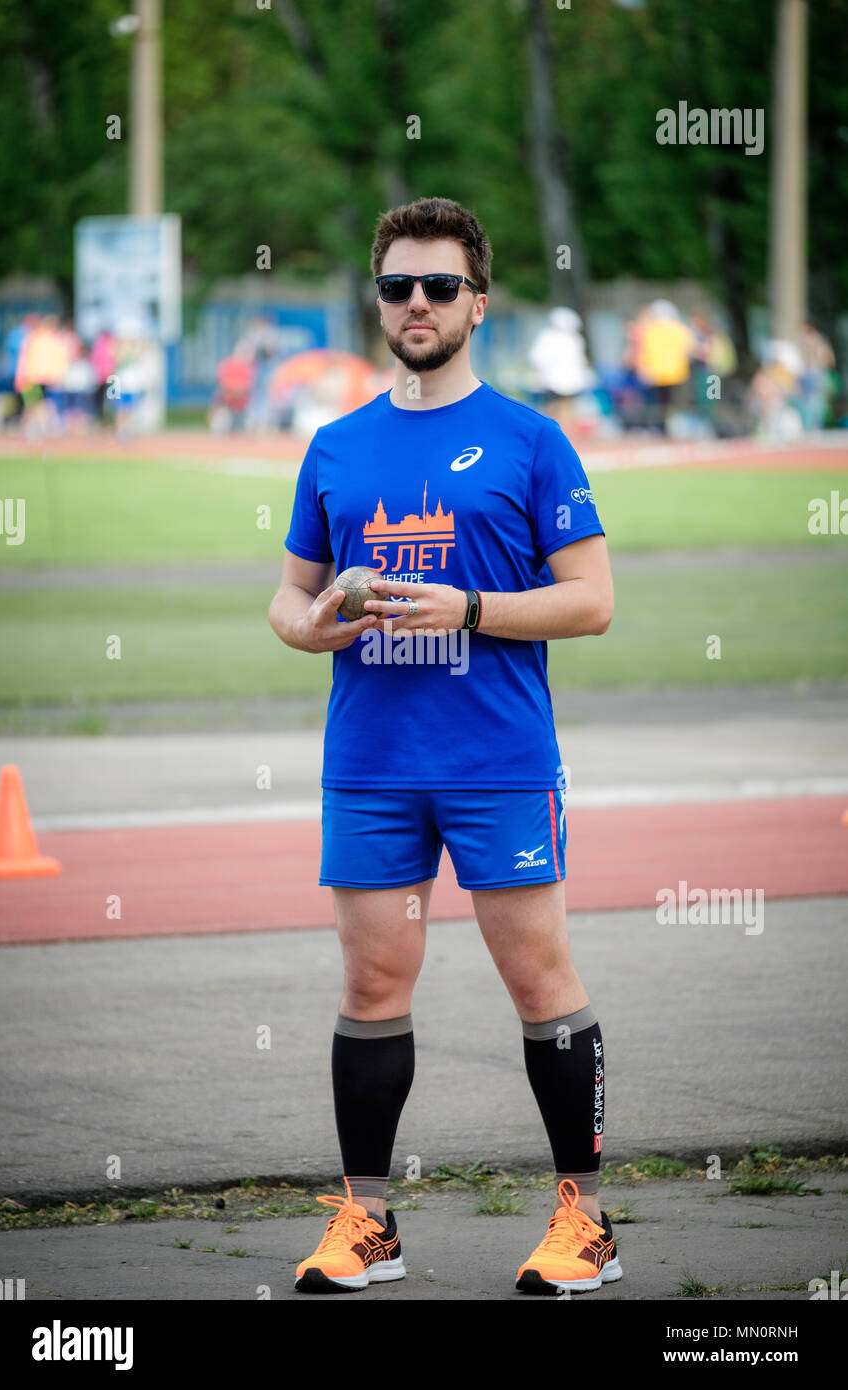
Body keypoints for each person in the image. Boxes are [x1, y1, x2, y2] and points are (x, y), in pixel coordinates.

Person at [269, 196, 617, 1297]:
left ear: (478, 301)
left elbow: (592, 601)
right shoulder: (334, 445)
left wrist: (468, 607)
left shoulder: (530, 438)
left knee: (535, 977)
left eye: (436, 286)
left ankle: (584, 1222)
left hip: (496, 760)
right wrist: (318, 620)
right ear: (376, 300)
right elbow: (287, 598)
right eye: (394, 287)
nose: (413, 304)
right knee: (372, 980)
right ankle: (367, 1223)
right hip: (369, 760)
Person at [527, 306, 597, 435]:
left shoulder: (570, 338)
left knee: (564, 406)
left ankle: (563, 433)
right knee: (557, 406)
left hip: (567, 379)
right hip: (554, 379)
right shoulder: (551, 337)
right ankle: (556, 432)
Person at [635, 299, 695, 432]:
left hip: (657, 375)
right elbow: (690, 348)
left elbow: (643, 352)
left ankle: (663, 428)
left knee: (660, 405)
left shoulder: (650, 330)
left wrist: (643, 369)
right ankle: (677, 428)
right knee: (677, 405)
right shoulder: (679, 328)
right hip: (678, 373)